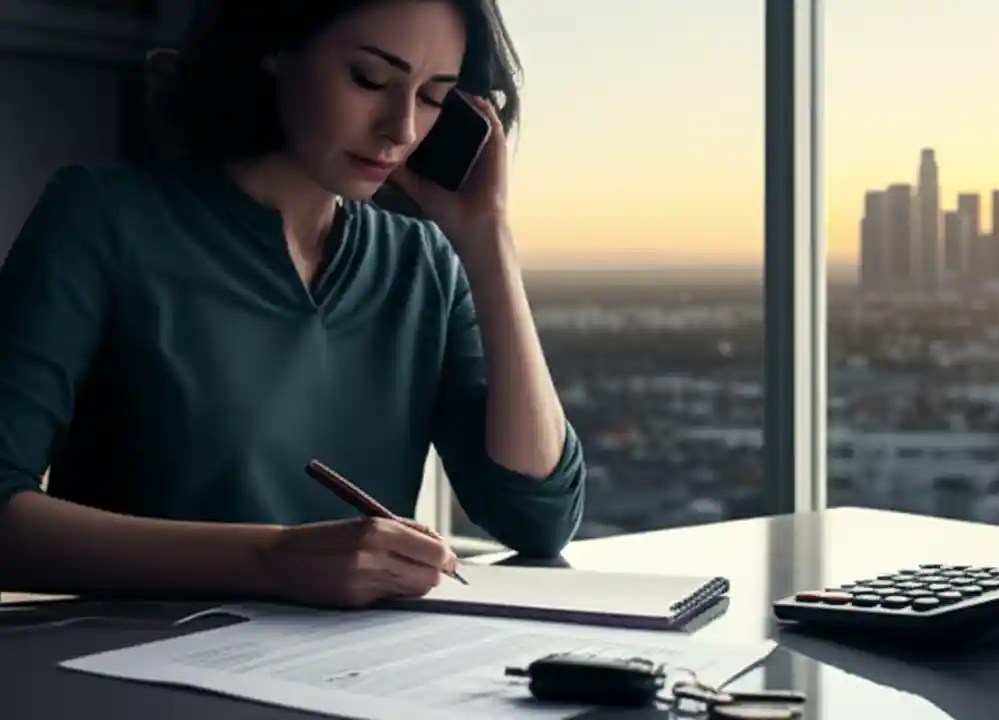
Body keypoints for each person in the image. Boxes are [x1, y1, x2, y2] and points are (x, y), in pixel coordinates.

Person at [0, 0, 585, 608]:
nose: (402, 129)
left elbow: (536, 518)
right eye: (370, 79)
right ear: (276, 50)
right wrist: (272, 559)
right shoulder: (102, 218)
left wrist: (489, 239)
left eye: (434, 97)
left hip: (348, 683)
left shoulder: (422, 263)